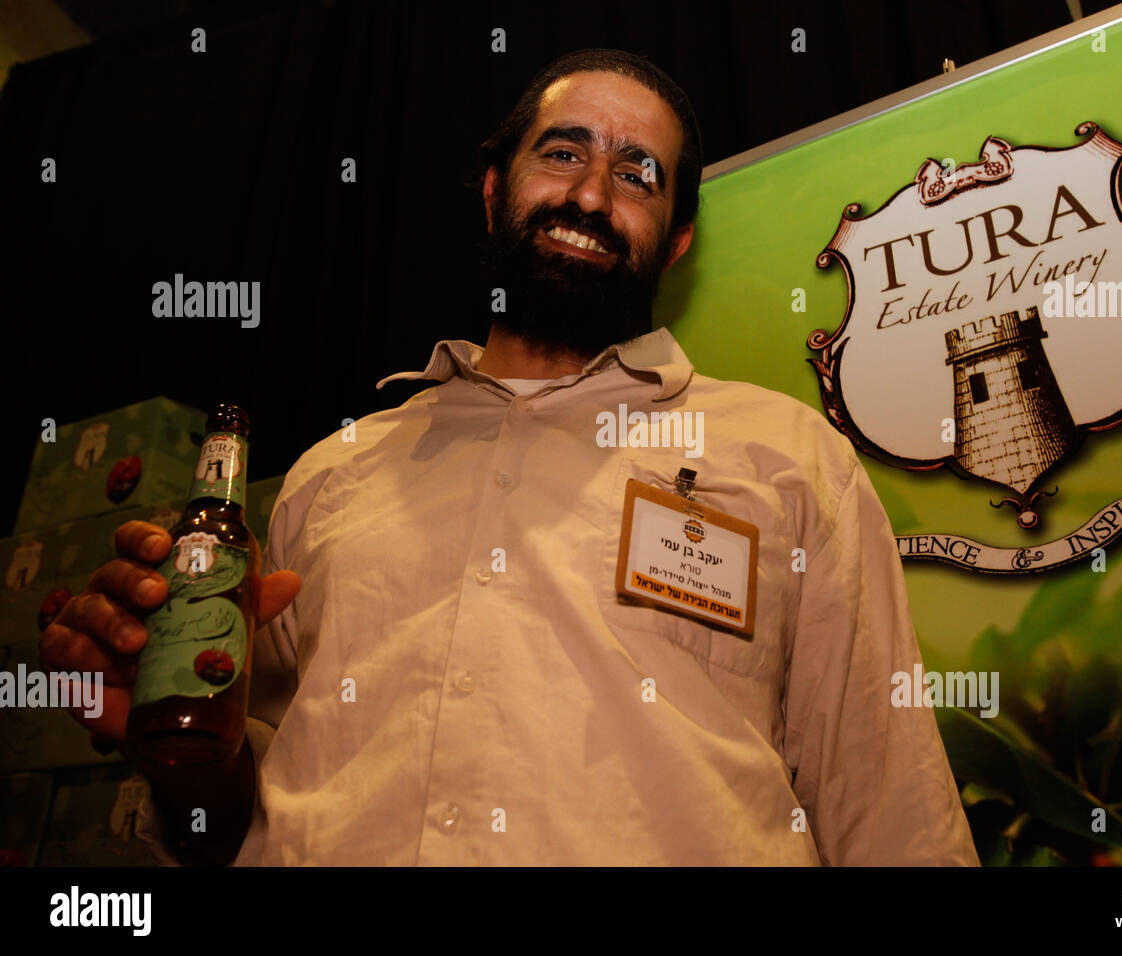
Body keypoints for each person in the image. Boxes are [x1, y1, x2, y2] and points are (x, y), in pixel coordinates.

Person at [39, 49, 978, 866]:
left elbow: (889, 810)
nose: (589, 195)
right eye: (563, 152)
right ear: (495, 190)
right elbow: (232, 827)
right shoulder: (331, 476)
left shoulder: (789, 460)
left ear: (680, 238)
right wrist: (177, 760)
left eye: (639, 174)